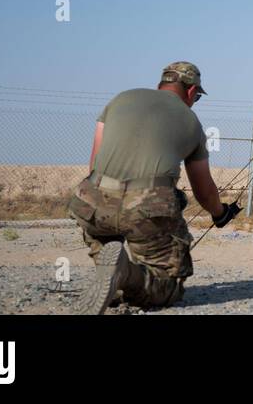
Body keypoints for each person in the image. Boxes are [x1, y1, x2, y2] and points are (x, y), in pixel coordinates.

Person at [67, 61, 239, 314]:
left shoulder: (120, 100)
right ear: (191, 92)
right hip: (147, 206)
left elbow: (95, 162)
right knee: (167, 286)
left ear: (163, 83)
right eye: (197, 97)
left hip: (93, 201)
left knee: (106, 230)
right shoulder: (191, 122)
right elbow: (204, 189)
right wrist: (220, 213)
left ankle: (115, 278)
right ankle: (125, 274)